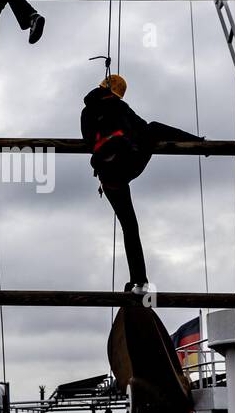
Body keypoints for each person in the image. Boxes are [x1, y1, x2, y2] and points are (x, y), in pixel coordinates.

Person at [80, 74, 201, 292]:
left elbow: (89, 141)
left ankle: (140, 281)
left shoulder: (86, 112)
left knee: (129, 226)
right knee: (154, 128)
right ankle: (199, 143)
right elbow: (142, 128)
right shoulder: (120, 107)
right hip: (127, 165)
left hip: (108, 177)